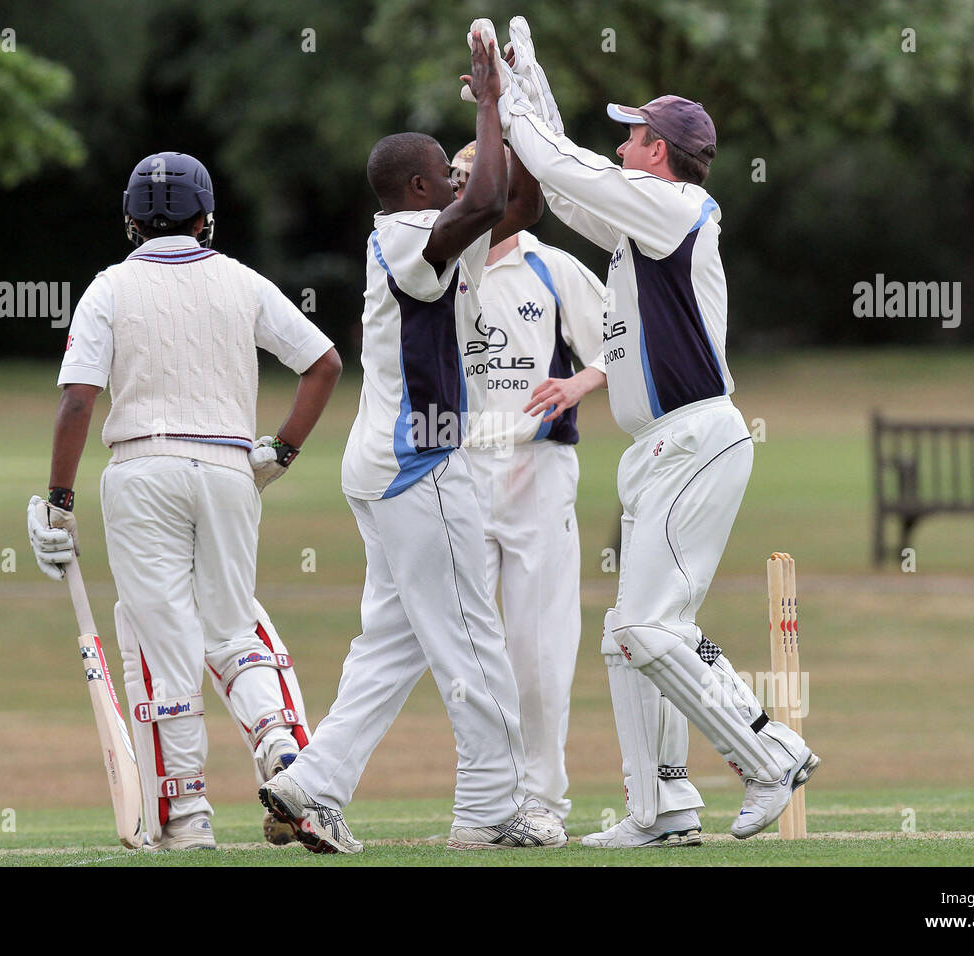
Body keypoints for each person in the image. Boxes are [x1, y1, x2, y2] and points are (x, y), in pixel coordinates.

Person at [498, 17, 820, 845]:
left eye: (633, 133)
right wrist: (527, 90)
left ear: (659, 152)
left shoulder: (675, 207)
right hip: (658, 448)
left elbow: (564, 168)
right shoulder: (645, 222)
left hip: (695, 439)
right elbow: (567, 188)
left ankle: (768, 751)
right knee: (627, 638)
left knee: (648, 627)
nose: (623, 144)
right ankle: (663, 809)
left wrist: (507, 109)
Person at [259, 28, 565, 854]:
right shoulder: (405, 235)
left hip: (390, 464)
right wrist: (494, 106)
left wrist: (524, 99)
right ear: (422, 184)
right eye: (449, 167)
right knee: (474, 638)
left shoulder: (444, 232)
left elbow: (520, 202)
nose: (463, 173)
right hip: (420, 462)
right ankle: (489, 812)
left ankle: (309, 786)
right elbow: (487, 200)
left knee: (389, 650)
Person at [26, 151, 341, 850]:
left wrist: (58, 497)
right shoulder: (240, 280)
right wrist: (280, 452)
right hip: (229, 471)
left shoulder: (110, 287)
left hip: (139, 471)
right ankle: (285, 757)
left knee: (160, 639)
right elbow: (324, 364)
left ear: (130, 220)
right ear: (207, 218)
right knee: (232, 628)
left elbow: (79, 399)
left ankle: (186, 816)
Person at [449, 139, 607, 831]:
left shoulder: (553, 267)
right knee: (464, 648)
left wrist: (576, 382)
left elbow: (622, 344)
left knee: (539, 647)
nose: (461, 190)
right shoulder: (434, 265)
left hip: (536, 468)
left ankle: (543, 804)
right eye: (455, 178)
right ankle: (487, 800)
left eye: (472, 179)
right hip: (452, 472)